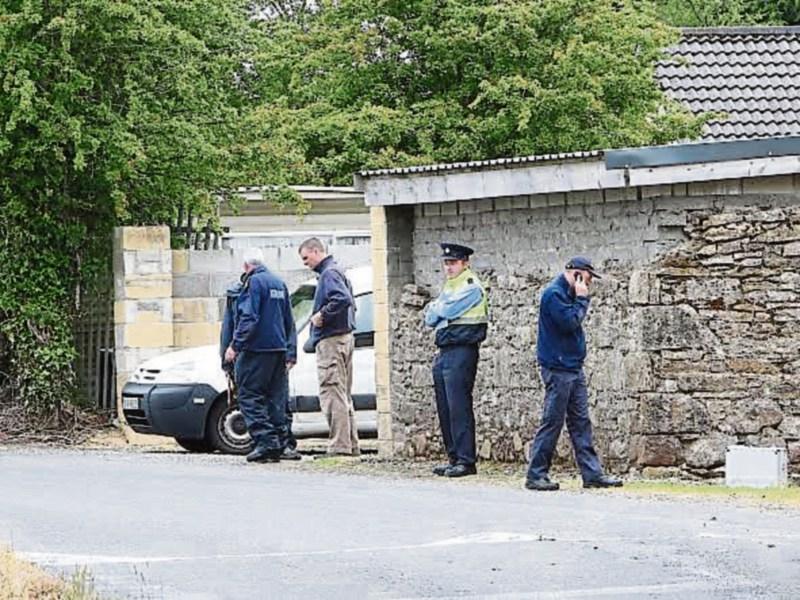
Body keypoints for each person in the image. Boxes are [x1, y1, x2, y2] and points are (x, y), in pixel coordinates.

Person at [525, 256, 623, 491]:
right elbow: (570, 322)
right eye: (588, 277)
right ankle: (536, 473)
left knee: (581, 422)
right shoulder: (554, 295)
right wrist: (581, 299)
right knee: (553, 420)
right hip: (558, 368)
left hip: (572, 366)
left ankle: (592, 474)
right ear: (578, 274)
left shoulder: (566, 294)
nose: (589, 283)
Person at [222, 248, 297, 463]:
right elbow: (288, 321)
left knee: (249, 396)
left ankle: (266, 442)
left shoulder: (253, 283)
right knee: (276, 398)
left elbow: (249, 317)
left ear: (246, 266)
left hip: (255, 350)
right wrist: (290, 351)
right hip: (278, 351)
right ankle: (281, 443)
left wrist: (235, 346)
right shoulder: (279, 283)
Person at [423, 242, 488, 478]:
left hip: (462, 348)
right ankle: (453, 458)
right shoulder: (451, 285)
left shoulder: (471, 285)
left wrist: (438, 308)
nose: (449, 267)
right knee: (445, 406)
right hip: (446, 348)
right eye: (446, 263)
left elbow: (446, 312)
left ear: (465, 263)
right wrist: (438, 308)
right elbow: (430, 317)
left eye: (453, 263)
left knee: (459, 405)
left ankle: (466, 460)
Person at [298, 237, 360, 456]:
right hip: (345, 337)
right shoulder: (338, 270)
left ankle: (339, 446)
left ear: (316, 251)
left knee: (332, 393)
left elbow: (342, 299)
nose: (305, 262)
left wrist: (321, 315)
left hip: (332, 341)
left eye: (306, 257)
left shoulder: (328, 274)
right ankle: (350, 445)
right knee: (343, 394)